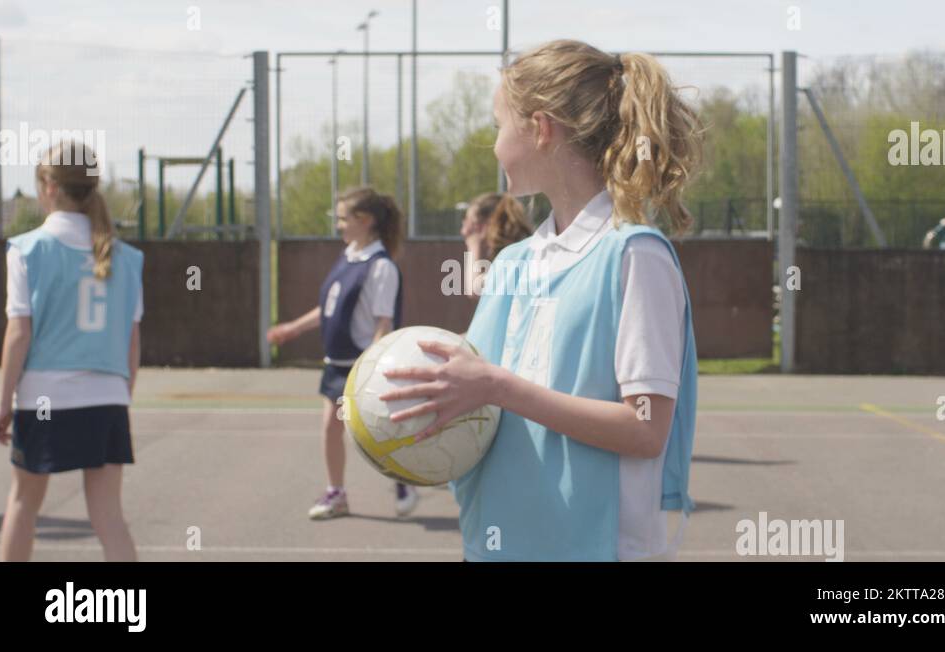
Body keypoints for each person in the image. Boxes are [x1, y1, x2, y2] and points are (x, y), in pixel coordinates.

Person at [381, 40, 701, 561]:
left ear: (541, 128)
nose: (494, 145)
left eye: (497, 127)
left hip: (589, 549)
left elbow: (644, 430)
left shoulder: (633, 256)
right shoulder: (514, 263)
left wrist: (497, 385)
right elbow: (481, 398)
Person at [0, 142, 143, 561]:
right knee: (109, 517)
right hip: (107, 399)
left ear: (49, 186)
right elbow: (132, 341)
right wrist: (121, 396)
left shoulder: (27, 250)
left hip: (45, 397)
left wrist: (4, 402)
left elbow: (18, 333)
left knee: (23, 505)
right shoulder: (128, 258)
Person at [266, 187, 417, 517]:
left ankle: (405, 478)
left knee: (377, 433)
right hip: (335, 363)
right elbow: (328, 308)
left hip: (362, 364)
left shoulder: (381, 267)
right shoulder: (348, 255)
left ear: (365, 221)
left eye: (342, 218)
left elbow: (384, 323)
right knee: (331, 428)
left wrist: (374, 368)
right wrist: (292, 329)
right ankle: (337, 493)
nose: (338, 225)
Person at [460, 193, 533, 299]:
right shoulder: (518, 251)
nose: (463, 231)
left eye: (468, 222)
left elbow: (475, 288)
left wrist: (474, 244)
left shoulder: (514, 255)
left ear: (481, 228)